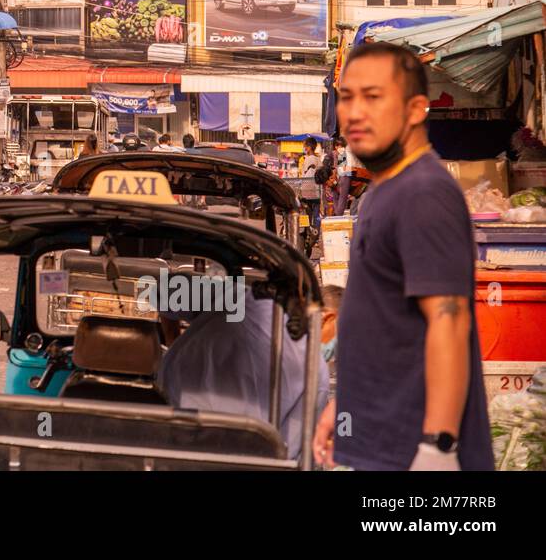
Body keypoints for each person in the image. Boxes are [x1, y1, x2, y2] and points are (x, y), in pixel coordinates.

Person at [313, 42, 493, 471]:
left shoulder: (423, 193)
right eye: (347, 97)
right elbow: (386, 333)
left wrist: (438, 447)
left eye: (373, 97)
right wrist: (345, 410)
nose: (355, 112)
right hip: (380, 443)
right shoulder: (382, 192)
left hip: (415, 453)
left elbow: (449, 321)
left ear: (415, 109)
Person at [157, 287, 330, 460]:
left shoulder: (238, 296)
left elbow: (162, 294)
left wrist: (172, 338)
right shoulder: (316, 369)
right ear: (326, 317)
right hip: (239, 458)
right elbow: (288, 453)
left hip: (171, 425)